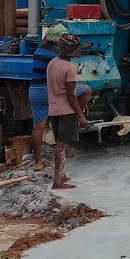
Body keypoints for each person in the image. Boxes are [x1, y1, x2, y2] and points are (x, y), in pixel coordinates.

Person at [30, 25, 90, 171]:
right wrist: (80, 115)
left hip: (35, 91)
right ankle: (76, 117)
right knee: (87, 90)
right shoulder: (59, 58)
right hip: (51, 92)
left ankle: (38, 162)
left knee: (38, 127)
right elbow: (70, 90)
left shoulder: (39, 50)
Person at [47, 33, 89, 189]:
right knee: (60, 147)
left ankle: (61, 176)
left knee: (59, 145)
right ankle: (57, 182)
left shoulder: (52, 63)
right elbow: (71, 95)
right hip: (66, 111)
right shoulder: (70, 68)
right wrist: (81, 116)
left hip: (53, 110)